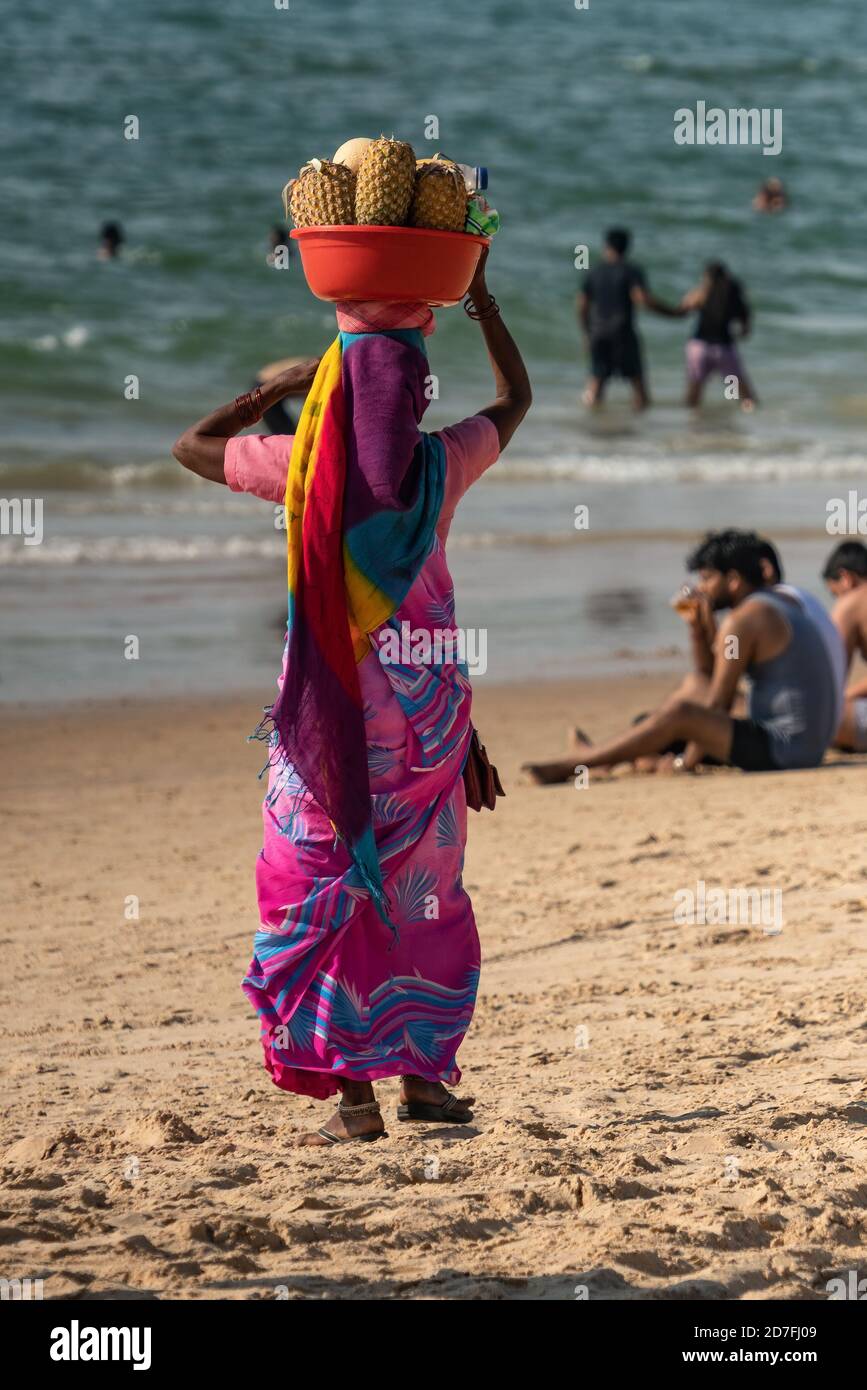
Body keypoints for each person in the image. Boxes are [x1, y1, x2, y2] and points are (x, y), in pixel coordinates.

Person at [172, 248, 531, 1146]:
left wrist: (283, 385)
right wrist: (481, 300)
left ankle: (356, 1102)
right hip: (430, 729)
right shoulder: (440, 463)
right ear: (414, 396)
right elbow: (515, 399)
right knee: (417, 897)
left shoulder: (300, 466)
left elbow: (188, 446)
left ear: (340, 391)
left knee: (318, 889)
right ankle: (423, 1081)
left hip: (327, 730)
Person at [524, 529, 837, 781]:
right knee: (687, 691)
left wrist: (685, 763)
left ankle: (576, 764)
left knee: (678, 714)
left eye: (707, 578)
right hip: (804, 745)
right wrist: (698, 630)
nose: (701, 587)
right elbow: (708, 676)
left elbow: (718, 705)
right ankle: (613, 760)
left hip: (785, 750)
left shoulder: (743, 620)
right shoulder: (770, 604)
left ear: (733, 580)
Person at [578, 228, 684, 410]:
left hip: (598, 333)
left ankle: (591, 423)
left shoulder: (593, 271)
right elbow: (641, 299)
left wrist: (586, 332)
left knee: (596, 383)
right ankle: (642, 424)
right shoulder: (631, 271)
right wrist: (673, 312)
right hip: (622, 332)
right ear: (627, 248)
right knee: (638, 387)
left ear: (606, 246)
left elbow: (581, 305)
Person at [680, 262, 757, 409]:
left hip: (698, 348)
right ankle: (747, 414)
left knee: (694, 392)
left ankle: (691, 419)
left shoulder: (702, 293)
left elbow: (683, 308)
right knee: (740, 392)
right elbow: (745, 330)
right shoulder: (733, 295)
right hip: (724, 349)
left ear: (707, 277)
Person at [822, 541, 867, 753]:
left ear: (846, 577)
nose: (838, 601)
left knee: (817, 714)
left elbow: (830, 686)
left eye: (836, 594)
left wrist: (847, 696)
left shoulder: (851, 604)